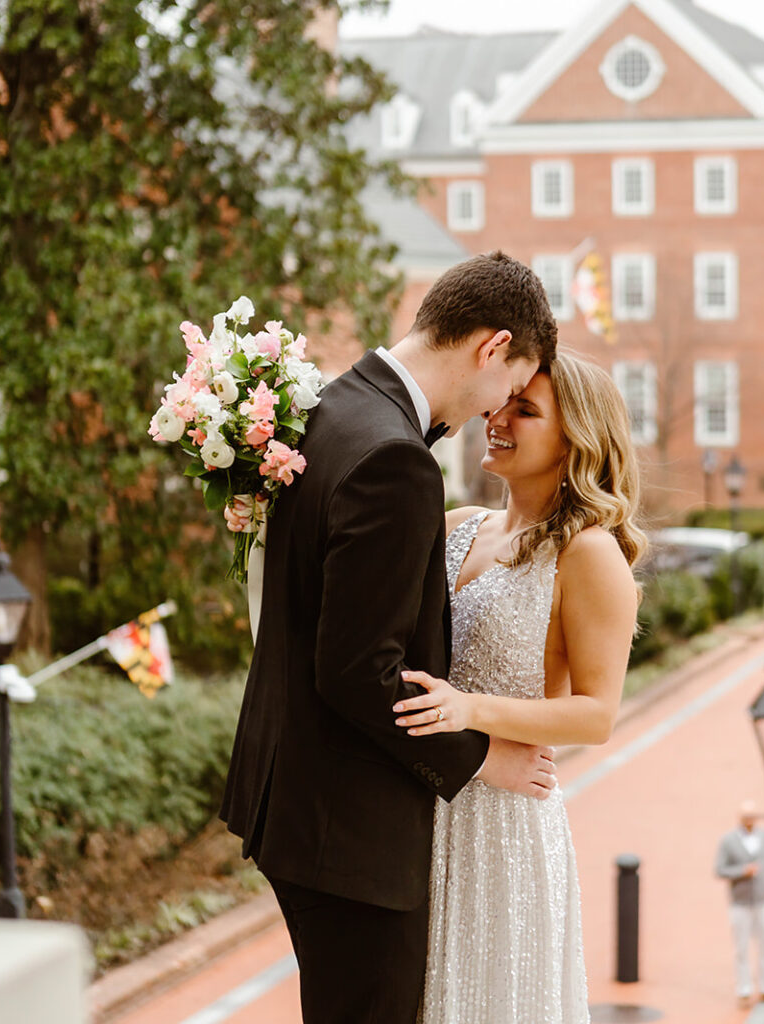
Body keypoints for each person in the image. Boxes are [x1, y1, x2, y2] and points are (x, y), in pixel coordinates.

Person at [219, 252, 561, 1024]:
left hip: (293, 799)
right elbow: (356, 671)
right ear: (492, 347)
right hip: (349, 838)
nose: (494, 413)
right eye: (508, 388)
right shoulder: (395, 462)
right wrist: (481, 759)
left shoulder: (335, 405)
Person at [389, 351, 645, 1023]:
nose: (496, 418)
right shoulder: (454, 526)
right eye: (503, 400)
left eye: (525, 411)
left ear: (576, 438)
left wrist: (468, 710)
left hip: (505, 829)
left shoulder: (588, 553)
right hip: (425, 807)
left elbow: (597, 714)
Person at [713, 800, 764, 1008]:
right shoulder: (728, 841)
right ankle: (744, 988)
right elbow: (720, 869)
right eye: (746, 816)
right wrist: (742, 871)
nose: (749, 820)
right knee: (741, 947)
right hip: (740, 902)